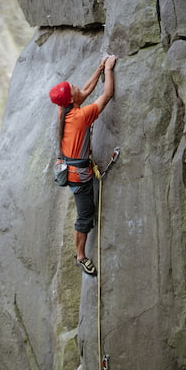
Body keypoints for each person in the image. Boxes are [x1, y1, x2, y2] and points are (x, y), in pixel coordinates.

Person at [48, 55, 117, 276]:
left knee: (84, 211)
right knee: (85, 216)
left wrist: (99, 68)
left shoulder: (65, 111)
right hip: (79, 177)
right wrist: (108, 70)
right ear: (70, 99)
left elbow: (84, 92)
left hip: (70, 169)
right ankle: (80, 256)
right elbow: (106, 96)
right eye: (74, 88)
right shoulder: (80, 117)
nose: (78, 87)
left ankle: (80, 253)